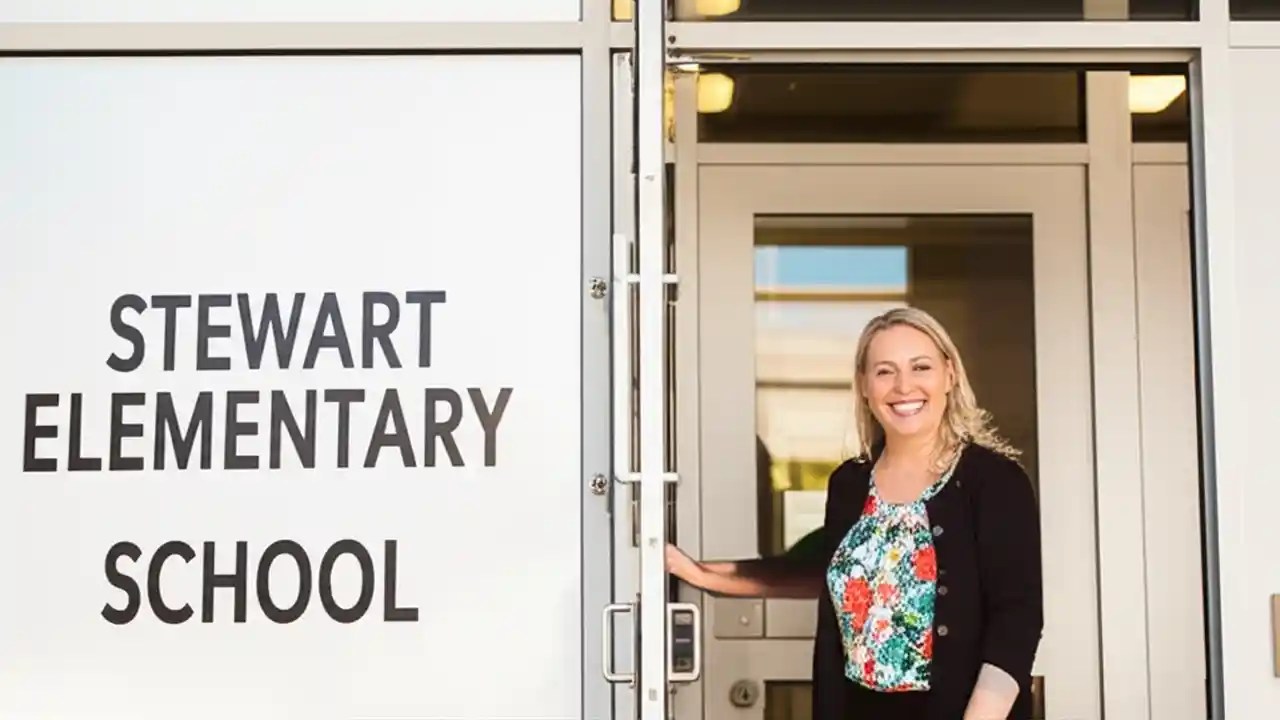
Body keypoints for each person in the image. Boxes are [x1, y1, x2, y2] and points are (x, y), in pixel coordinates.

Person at [665, 307, 1043, 720]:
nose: (904, 386)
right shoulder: (848, 483)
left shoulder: (993, 481)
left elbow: (1017, 620)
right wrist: (700, 573)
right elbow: (822, 574)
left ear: (949, 375)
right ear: (864, 385)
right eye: (884, 371)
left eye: (921, 367)